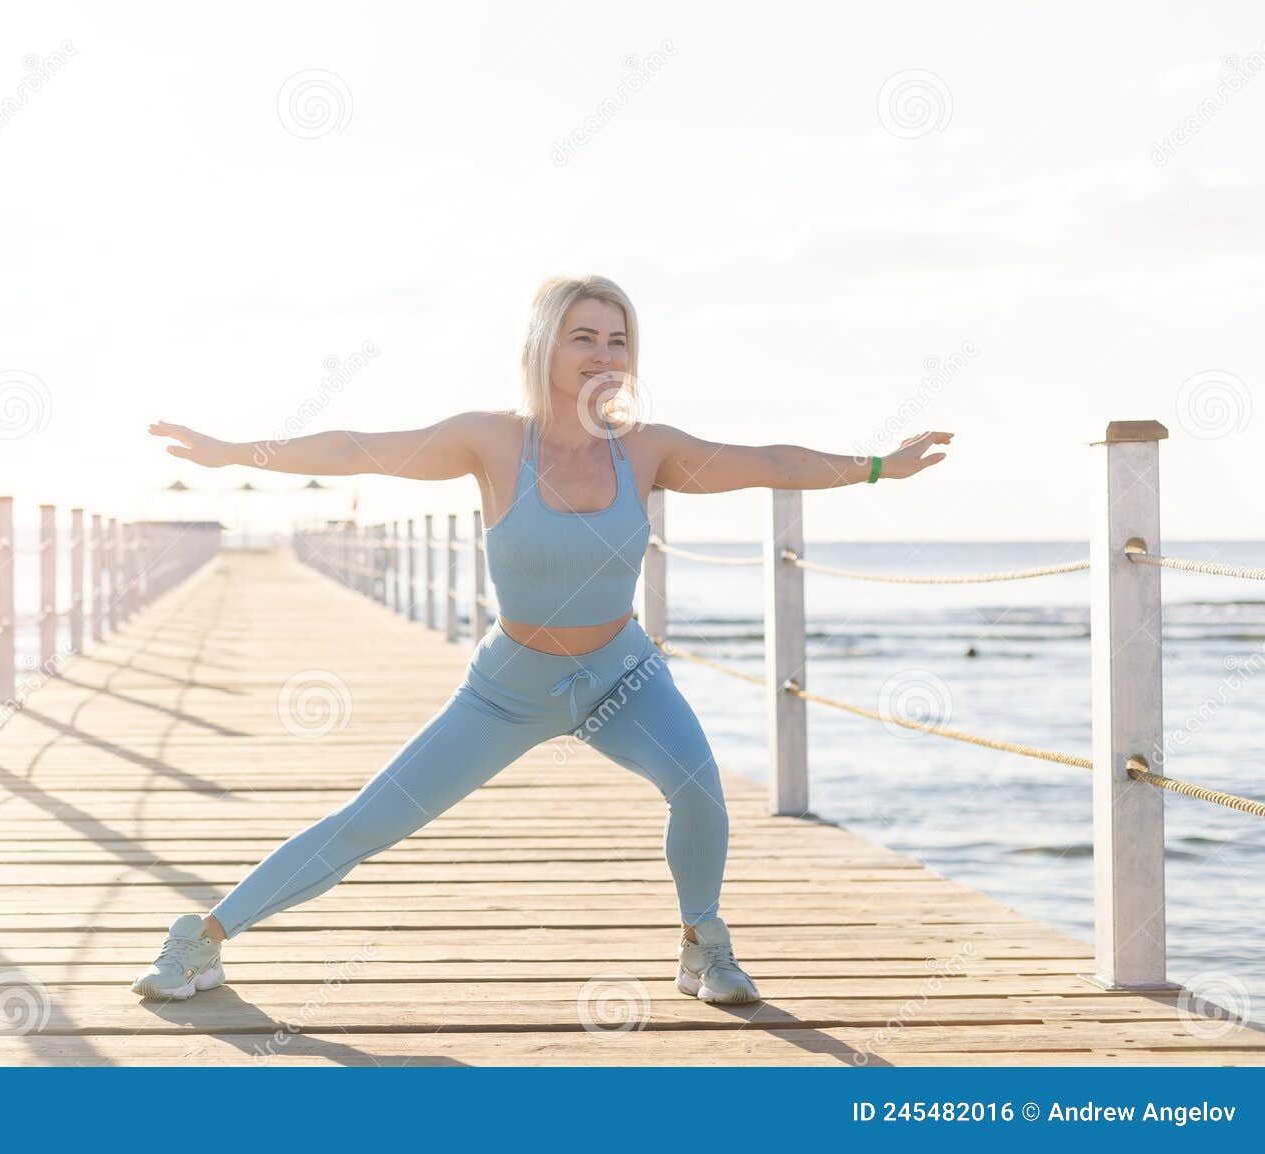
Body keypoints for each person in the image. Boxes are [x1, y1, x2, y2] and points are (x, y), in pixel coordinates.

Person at [136, 274, 952, 1004]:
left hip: (621, 676)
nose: (604, 353)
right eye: (584, 336)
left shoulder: (646, 449)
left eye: (619, 338)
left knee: (699, 786)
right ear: (545, 345)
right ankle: (201, 938)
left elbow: (769, 459)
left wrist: (880, 465)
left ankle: (703, 944)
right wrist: (234, 452)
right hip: (508, 689)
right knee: (370, 821)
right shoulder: (492, 440)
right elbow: (357, 449)